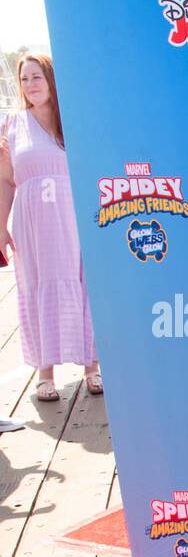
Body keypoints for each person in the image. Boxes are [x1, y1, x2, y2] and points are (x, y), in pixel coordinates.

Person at [0, 54, 100, 401]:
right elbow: (5, 181)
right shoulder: (11, 124)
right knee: (38, 284)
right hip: (33, 222)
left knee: (83, 282)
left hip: (73, 218)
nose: (30, 85)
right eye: (24, 79)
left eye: (36, 77)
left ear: (51, 80)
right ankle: (45, 373)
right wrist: (0, 226)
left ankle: (92, 365)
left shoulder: (71, 121)